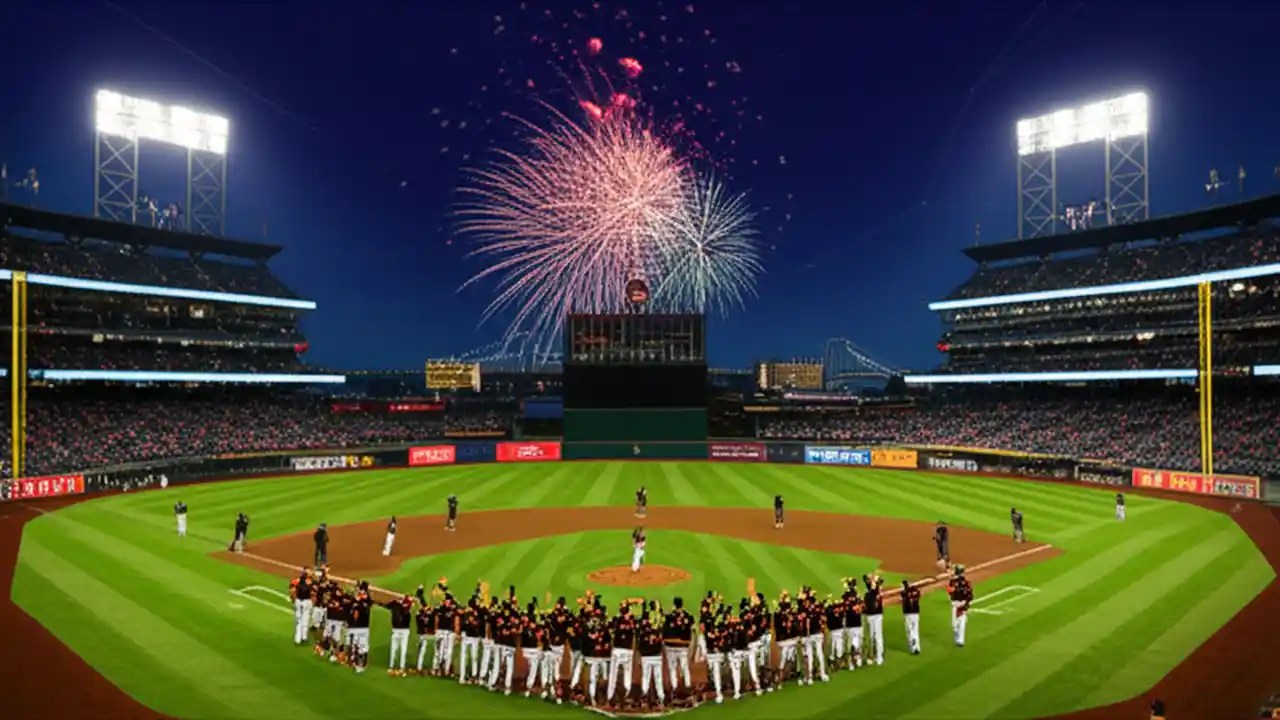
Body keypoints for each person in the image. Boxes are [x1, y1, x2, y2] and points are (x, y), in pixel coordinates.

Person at [607, 601, 637, 704]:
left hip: (617, 650)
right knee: (628, 674)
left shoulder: (616, 620)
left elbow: (609, 627)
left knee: (613, 674)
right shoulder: (632, 621)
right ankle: (626, 695)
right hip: (628, 651)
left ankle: (610, 696)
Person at [662, 596, 694, 695]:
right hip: (683, 648)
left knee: (672, 668)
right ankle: (688, 686)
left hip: (670, 647)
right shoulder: (688, 616)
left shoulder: (669, 616)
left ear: (674, 604)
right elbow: (692, 626)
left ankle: (674, 687)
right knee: (685, 667)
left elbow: (664, 629)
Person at [384, 594, 414, 676]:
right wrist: (395, 602)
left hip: (404, 631)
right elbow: (387, 606)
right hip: (397, 630)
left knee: (402, 650)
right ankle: (392, 666)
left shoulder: (407, 610)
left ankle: (400, 667)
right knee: (395, 649)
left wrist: (397, 603)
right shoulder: (397, 605)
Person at [947, 565, 974, 647]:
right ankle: (957, 637)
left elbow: (970, 595)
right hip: (956, 604)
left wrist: (966, 603)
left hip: (961, 603)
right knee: (954, 625)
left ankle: (960, 640)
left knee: (961, 622)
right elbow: (950, 591)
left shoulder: (964, 583)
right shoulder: (954, 582)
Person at [863, 575, 885, 666]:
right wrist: (869, 579)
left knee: (878, 637)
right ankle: (872, 656)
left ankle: (879, 657)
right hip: (870, 617)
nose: (872, 584)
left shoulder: (877, 593)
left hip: (877, 617)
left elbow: (880, 582)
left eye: (874, 583)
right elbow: (866, 580)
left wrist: (876, 580)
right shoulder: (869, 593)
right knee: (872, 637)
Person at [289, 568, 313, 645]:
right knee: (305, 620)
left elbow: (292, 590)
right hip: (306, 601)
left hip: (299, 601)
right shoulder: (311, 581)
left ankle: (298, 639)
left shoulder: (296, 580)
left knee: (299, 620)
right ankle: (303, 638)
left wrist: (293, 599)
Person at [900, 580, 922, 655]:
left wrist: (906, 588)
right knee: (915, 631)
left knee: (910, 632)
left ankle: (913, 648)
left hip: (908, 615)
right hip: (916, 614)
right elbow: (917, 593)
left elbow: (903, 594)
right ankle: (917, 648)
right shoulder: (916, 592)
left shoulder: (904, 593)